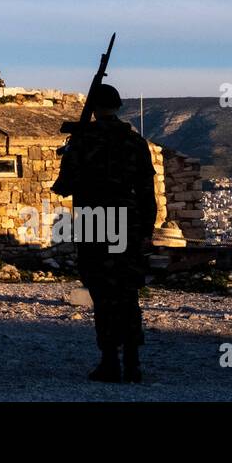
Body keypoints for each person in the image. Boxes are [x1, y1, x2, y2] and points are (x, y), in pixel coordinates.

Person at [53, 83, 157, 383]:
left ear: (94, 109)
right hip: (128, 221)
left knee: (101, 292)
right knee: (127, 292)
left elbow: (64, 185)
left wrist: (72, 151)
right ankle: (134, 362)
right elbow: (147, 192)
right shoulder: (136, 143)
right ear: (118, 106)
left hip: (93, 221)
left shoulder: (83, 141)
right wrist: (146, 229)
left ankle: (110, 361)